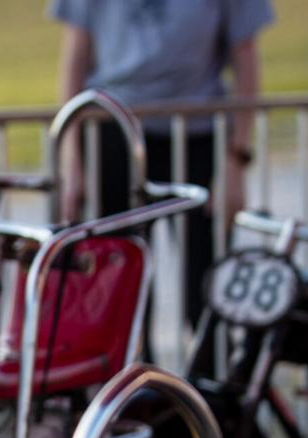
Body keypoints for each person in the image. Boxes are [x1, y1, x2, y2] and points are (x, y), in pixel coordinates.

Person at [50, 0, 274, 328]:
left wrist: (235, 160)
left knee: (207, 285)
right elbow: (75, 55)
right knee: (120, 287)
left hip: (198, 132)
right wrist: (73, 163)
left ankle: (204, 375)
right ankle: (131, 378)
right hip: (113, 131)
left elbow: (246, 55)